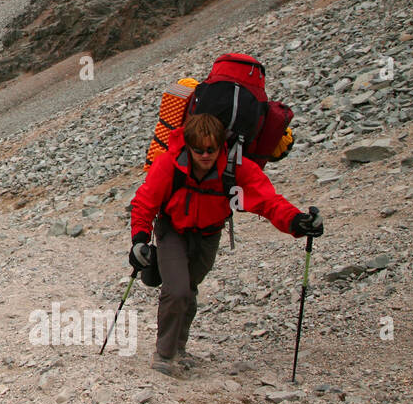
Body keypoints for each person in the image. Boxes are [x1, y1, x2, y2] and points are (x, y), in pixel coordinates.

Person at [129, 112, 323, 377]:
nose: (206, 155)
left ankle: (179, 348)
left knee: (190, 288)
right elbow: (145, 202)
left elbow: (267, 201)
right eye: (199, 150)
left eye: (212, 149)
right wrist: (140, 239)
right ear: (188, 145)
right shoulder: (169, 165)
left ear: (221, 145)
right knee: (177, 290)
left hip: (209, 235)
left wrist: (297, 222)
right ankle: (164, 355)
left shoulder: (235, 169)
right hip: (172, 230)